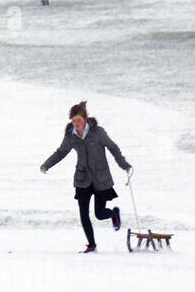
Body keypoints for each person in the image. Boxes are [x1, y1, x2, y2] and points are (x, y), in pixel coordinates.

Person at [39, 100, 132, 253]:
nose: (76, 124)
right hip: (82, 179)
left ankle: (114, 213)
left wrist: (124, 165)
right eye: (74, 121)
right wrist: (46, 164)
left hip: (100, 178)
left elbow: (113, 148)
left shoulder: (98, 132)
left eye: (79, 120)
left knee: (99, 214)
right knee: (83, 214)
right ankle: (91, 244)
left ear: (85, 119)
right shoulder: (71, 136)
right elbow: (61, 152)